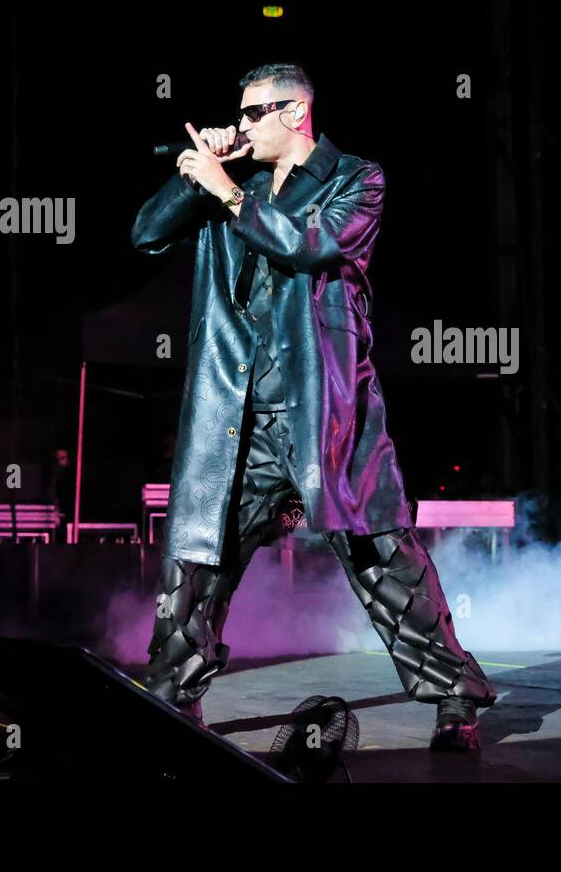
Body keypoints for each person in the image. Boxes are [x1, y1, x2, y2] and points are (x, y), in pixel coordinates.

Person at [130, 63, 496, 750]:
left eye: (250, 115)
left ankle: (455, 696)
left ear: (293, 113)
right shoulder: (222, 184)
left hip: (325, 415)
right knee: (197, 563)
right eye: (236, 115)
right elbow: (145, 232)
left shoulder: (356, 178)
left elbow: (312, 245)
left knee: (384, 560)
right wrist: (198, 175)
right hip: (237, 419)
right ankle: (171, 697)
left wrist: (230, 195)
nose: (239, 127)